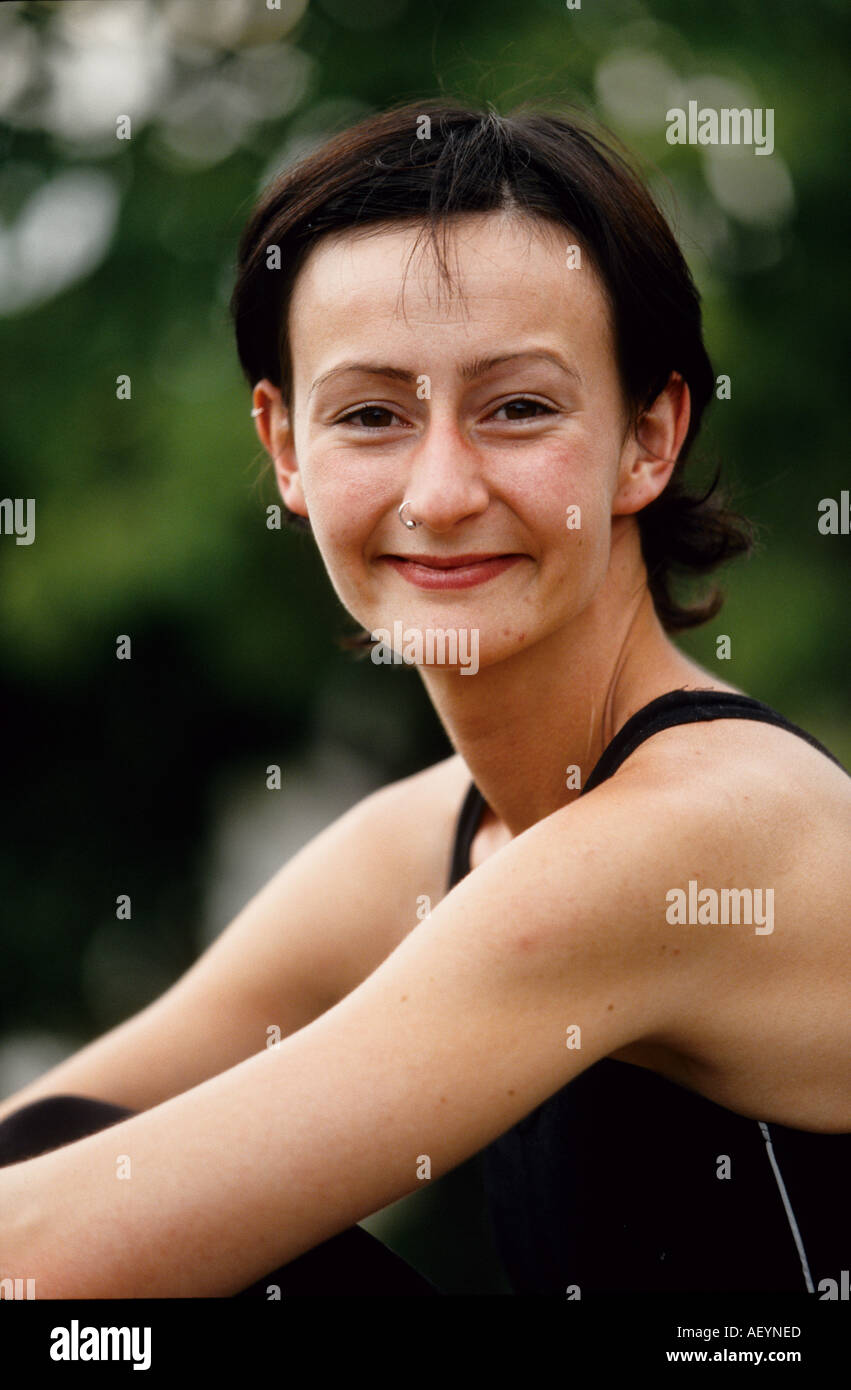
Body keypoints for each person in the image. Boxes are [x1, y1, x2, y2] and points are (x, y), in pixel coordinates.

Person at [1, 100, 848, 1299]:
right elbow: (49, 1135)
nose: (440, 490)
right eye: (369, 416)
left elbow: (43, 1253)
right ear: (284, 446)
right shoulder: (437, 829)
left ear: (647, 437)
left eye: (516, 407)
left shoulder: (700, 833)